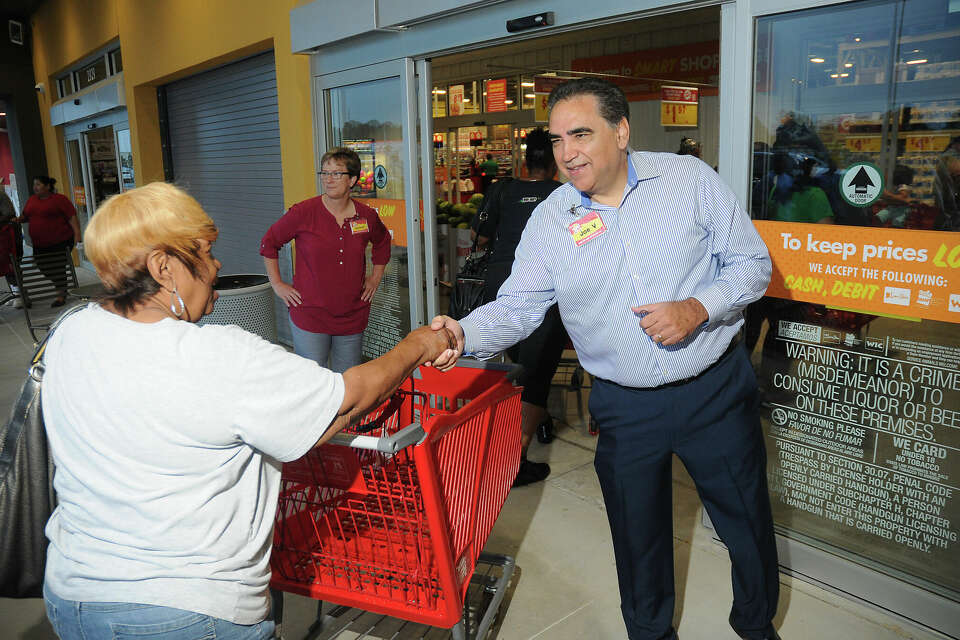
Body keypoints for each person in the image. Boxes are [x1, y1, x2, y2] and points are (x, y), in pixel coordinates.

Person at [431, 78, 779, 640]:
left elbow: (750, 263)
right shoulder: (552, 220)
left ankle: (756, 626)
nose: (567, 152)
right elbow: (520, 305)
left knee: (746, 523)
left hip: (714, 390)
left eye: (581, 134)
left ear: (621, 132)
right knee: (637, 538)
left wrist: (696, 307)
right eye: (557, 138)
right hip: (623, 406)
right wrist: (460, 334)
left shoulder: (687, 181)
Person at [41, 182, 454, 640]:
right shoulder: (218, 355)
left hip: (72, 594)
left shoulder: (69, 331)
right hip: (184, 609)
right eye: (204, 251)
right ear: (163, 267)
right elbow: (347, 400)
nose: (216, 264)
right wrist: (419, 344)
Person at [474, 127, 566, 486]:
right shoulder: (565, 196)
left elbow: (479, 236)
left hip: (500, 288)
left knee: (517, 367)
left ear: (524, 161)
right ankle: (515, 460)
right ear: (556, 162)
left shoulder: (501, 190)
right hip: (546, 292)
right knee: (536, 375)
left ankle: (528, 426)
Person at [260, 147, 390, 372]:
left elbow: (383, 242)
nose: (328, 179)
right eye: (324, 173)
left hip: (352, 315)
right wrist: (277, 284)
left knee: (348, 382)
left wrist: (375, 277)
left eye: (336, 173)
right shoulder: (304, 212)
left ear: (352, 180)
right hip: (310, 314)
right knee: (312, 381)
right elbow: (269, 243)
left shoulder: (366, 216)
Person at [17, 175, 81, 307]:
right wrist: (18, 219)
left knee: (58, 267)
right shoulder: (32, 200)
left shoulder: (59, 199)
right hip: (40, 243)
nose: (35, 187)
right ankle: (61, 287)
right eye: (34, 185)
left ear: (47, 186)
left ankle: (60, 296)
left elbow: (71, 217)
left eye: (38, 184)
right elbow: (26, 216)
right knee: (43, 266)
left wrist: (77, 234)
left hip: (60, 241)